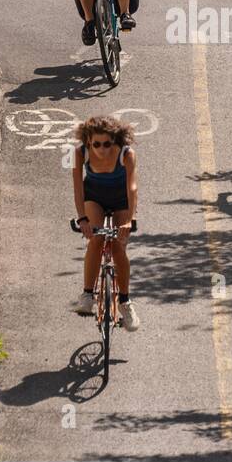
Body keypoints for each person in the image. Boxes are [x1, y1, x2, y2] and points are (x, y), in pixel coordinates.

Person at [72, 115, 140, 331]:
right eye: (96, 144)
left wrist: (129, 219)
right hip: (94, 197)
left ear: (116, 141)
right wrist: (82, 218)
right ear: (88, 142)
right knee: (96, 239)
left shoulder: (127, 154)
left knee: (119, 247)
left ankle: (125, 303)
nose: (101, 149)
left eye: (107, 144)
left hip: (121, 199)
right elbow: (77, 187)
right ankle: (87, 295)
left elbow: (132, 188)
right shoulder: (77, 152)